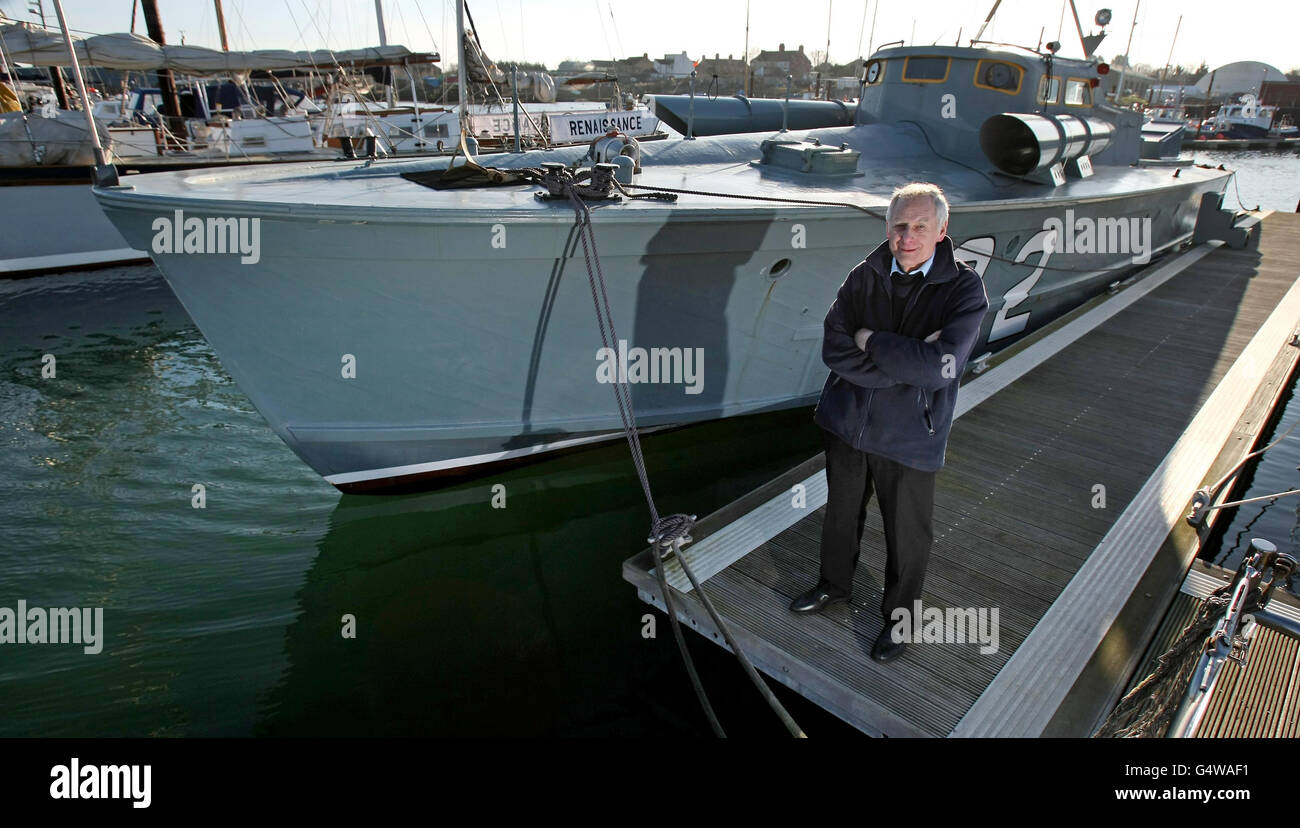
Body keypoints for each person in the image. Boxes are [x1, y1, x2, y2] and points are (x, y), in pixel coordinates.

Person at [788, 182, 989, 663]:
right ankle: (834, 585)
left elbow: (939, 367)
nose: (907, 235)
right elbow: (835, 347)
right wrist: (900, 364)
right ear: (887, 227)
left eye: (921, 226)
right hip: (847, 423)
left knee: (908, 533)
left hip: (910, 435)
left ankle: (900, 621)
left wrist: (871, 340)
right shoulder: (865, 275)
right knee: (840, 515)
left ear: (942, 230)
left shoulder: (963, 289)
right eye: (900, 225)